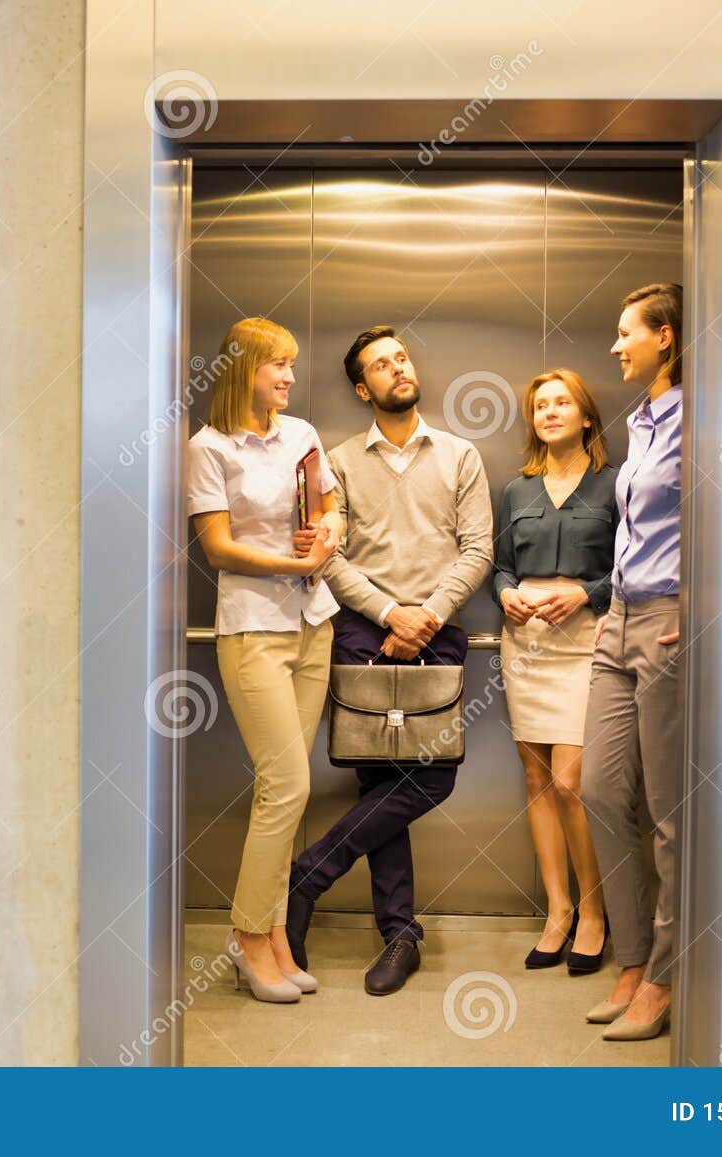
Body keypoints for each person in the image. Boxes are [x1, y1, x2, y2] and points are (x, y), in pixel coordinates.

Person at [284, 324, 493, 996]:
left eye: (401, 357)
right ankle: (399, 934)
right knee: (380, 786)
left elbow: (478, 550)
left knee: (433, 777)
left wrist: (426, 614)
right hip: (362, 638)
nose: (398, 369)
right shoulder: (337, 460)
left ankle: (308, 876)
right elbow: (331, 555)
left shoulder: (460, 455)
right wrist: (388, 615)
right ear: (360, 386)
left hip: (439, 635)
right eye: (381, 364)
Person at [186, 316, 344, 1004]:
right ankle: (249, 936)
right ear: (243, 366)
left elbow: (332, 506)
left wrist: (329, 535)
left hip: (314, 623)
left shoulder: (302, 434)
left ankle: (275, 934)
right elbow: (217, 547)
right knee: (288, 787)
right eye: (277, 364)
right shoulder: (208, 447)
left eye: (291, 363)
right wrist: (289, 561)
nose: (288, 375)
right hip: (253, 631)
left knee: (287, 785)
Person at [581, 283, 686, 1041]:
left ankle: (666, 974)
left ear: (667, 337)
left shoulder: (700, 417)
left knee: (670, 814)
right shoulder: (643, 419)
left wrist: (700, 605)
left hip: (669, 620)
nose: (616, 346)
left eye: (628, 333)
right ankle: (632, 952)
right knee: (596, 790)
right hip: (618, 621)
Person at [491, 369, 618, 975]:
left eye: (562, 402)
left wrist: (588, 594)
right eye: (539, 405)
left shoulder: (616, 485)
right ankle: (558, 912)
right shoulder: (518, 490)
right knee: (538, 781)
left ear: (587, 416)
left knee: (573, 784)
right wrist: (507, 593)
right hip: (527, 644)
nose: (549, 412)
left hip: (586, 643)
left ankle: (595, 913)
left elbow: (633, 565)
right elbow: (499, 564)